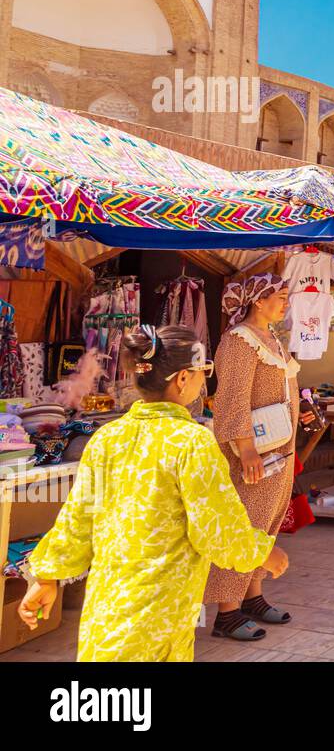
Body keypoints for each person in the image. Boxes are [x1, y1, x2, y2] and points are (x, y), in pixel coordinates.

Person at [18, 325, 287, 661]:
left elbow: (76, 522)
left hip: (107, 615)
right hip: (160, 616)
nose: (205, 381)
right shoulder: (192, 442)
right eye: (203, 373)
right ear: (182, 379)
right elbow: (217, 530)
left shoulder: (107, 438)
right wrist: (262, 552)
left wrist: (46, 578)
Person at [205, 274, 299, 641]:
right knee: (243, 526)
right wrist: (244, 448)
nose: (285, 302)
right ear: (258, 300)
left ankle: (252, 596)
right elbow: (231, 397)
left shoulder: (271, 338)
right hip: (254, 452)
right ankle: (226, 613)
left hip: (278, 451)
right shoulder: (238, 342)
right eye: (280, 296)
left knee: (265, 523)